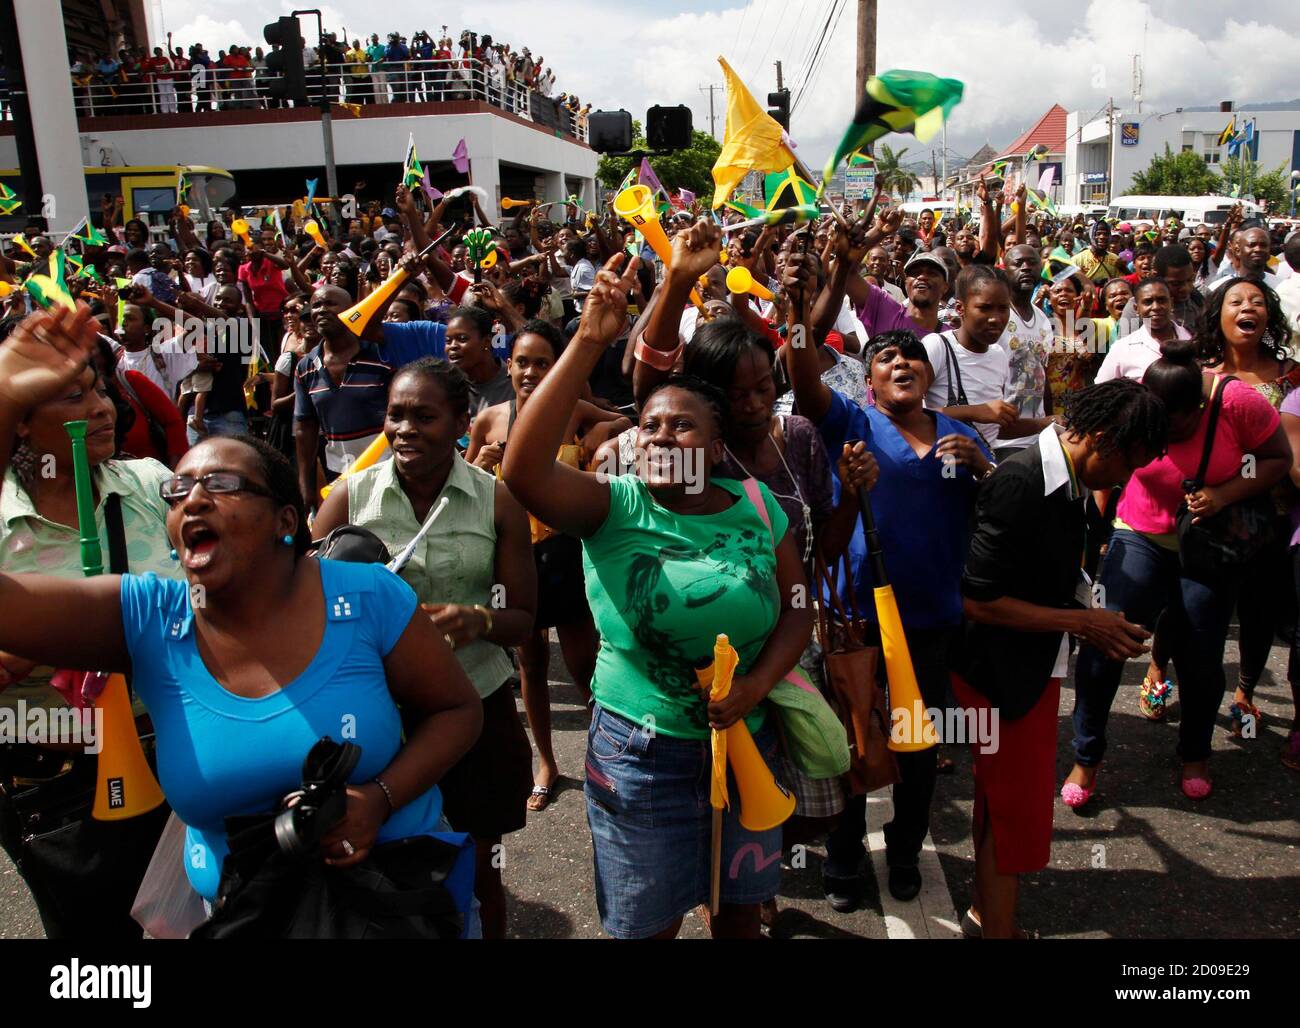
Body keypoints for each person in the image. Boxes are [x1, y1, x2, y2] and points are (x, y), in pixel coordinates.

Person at [503, 253, 814, 939]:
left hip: (748, 744)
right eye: (650, 424)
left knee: (739, 915)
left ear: (713, 445)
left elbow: (798, 611)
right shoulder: (609, 507)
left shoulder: (758, 505)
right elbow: (522, 470)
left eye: (683, 425)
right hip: (640, 758)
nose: (663, 433)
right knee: (646, 926)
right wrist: (587, 340)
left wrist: (757, 687)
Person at [314, 357, 535, 940]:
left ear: (463, 419)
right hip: (372, 721)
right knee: (378, 868)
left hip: (475, 710)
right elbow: (298, 602)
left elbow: (523, 620)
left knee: (478, 866)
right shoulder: (348, 499)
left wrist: (478, 619)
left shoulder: (497, 501)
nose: (405, 429)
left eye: (424, 416)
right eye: (395, 416)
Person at [955, 379, 1169, 938]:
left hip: (1033, 665)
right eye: (1126, 465)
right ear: (1099, 438)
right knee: (1014, 812)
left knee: (1001, 807)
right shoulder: (1022, 482)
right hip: (1004, 678)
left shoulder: (1071, 476)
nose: (1124, 480)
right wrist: (1083, 623)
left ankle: (987, 914)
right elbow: (978, 600)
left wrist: (1088, 614)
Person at [0, 307, 176, 939]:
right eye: (73, 395)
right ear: (17, 419)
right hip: (55, 788)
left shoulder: (154, 486)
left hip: (178, 759)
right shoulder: (3, 522)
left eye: (101, 387)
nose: (101, 407)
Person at [1065, 337, 1289, 809]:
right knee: (1105, 642)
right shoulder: (1138, 400)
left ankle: (1195, 755)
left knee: (1202, 655)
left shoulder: (1237, 402)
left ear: (1201, 406)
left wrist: (1226, 493)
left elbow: (1276, 458)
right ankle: (1086, 757)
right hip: (1140, 530)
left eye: (1175, 424)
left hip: (1209, 542)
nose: (1162, 433)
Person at [467, 320, 628, 811]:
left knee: (584, 664)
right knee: (530, 664)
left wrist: (595, 439)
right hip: (514, 554)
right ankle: (546, 762)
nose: (531, 372)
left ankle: (608, 759)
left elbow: (622, 423)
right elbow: (464, 480)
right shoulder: (490, 418)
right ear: (508, 365)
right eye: (522, 362)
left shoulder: (573, 411)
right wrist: (484, 460)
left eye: (543, 362)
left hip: (567, 554)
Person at [1093, 277, 1193, 384]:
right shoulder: (1122, 349)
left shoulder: (1191, 338)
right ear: (1136, 309)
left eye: (1161, 300)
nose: (1156, 307)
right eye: (1148, 302)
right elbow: (1101, 390)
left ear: (1171, 303)